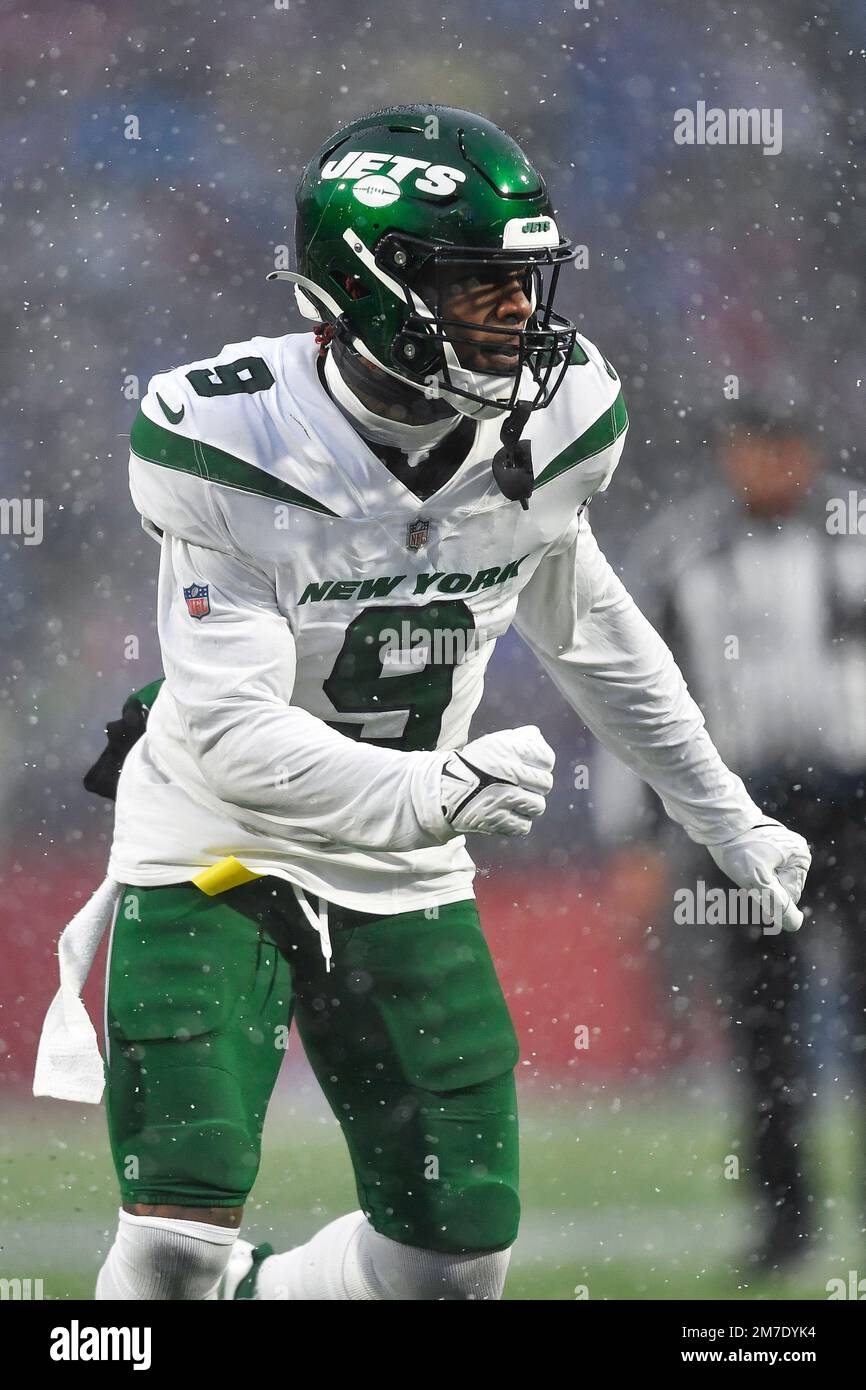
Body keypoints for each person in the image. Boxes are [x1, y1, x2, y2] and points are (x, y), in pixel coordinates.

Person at [36, 105, 810, 1301]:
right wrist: (432, 787)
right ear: (367, 287)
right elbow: (239, 740)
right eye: (479, 285)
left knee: (454, 1259)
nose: (520, 315)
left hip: (401, 858)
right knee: (175, 1242)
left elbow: (588, 624)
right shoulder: (233, 437)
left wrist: (720, 809)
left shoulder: (555, 422)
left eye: (526, 283)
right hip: (217, 848)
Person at [593, 408, 866, 1273]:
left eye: (786, 443)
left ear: (811, 450)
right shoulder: (683, 557)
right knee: (764, 1030)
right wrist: (636, 834)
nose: (770, 462)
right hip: (749, 813)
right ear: (729, 452)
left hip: (858, 804)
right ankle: (785, 1222)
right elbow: (637, 702)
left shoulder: (856, 536)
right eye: (753, 443)